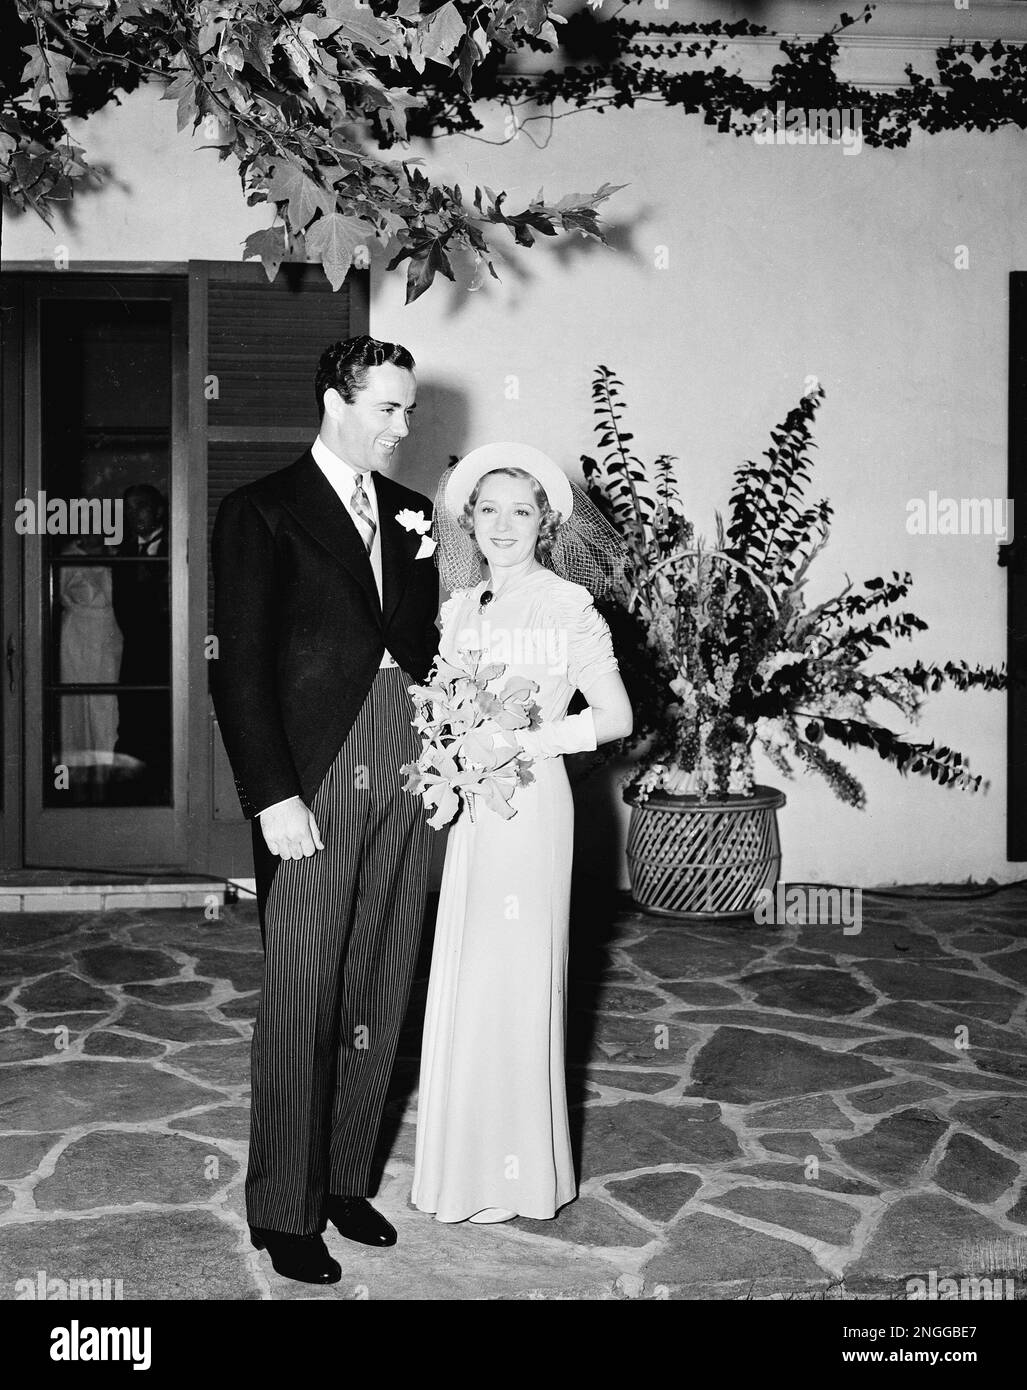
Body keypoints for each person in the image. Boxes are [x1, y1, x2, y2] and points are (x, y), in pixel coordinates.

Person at [210, 335, 438, 1285]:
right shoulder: (261, 509)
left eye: (408, 409)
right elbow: (239, 671)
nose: (402, 426)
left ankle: (345, 1180)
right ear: (335, 402)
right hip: (315, 769)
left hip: (412, 758)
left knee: (381, 979)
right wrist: (272, 796)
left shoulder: (417, 513)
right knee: (304, 990)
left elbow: (435, 640)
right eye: (387, 408)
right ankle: (283, 1209)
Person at [411, 444, 632, 1223]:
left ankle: (520, 1177)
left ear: (546, 524)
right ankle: (466, 1174)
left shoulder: (565, 605)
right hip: (474, 809)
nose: (502, 525)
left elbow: (615, 717)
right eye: (488, 509)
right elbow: (444, 706)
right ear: (468, 521)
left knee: (518, 978)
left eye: (521, 510)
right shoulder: (459, 609)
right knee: (472, 977)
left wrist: (524, 744)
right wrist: (446, 761)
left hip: (532, 806)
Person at [112, 483, 171, 800]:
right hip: (134, 651)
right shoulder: (123, 551)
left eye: (141, 506)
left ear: (159, 510)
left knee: (164, 721)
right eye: (128, 509)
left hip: (168, 653)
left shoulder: (176, 545)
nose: (134, 514)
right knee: (132, 720)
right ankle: (132, 794)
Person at [58, 530, 122, 766]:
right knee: (76, 702)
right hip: (77, 637)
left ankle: (107, 765)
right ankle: (78, 767)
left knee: (107, 701)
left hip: (111, 634)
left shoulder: (117, 554)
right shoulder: (67, 557)